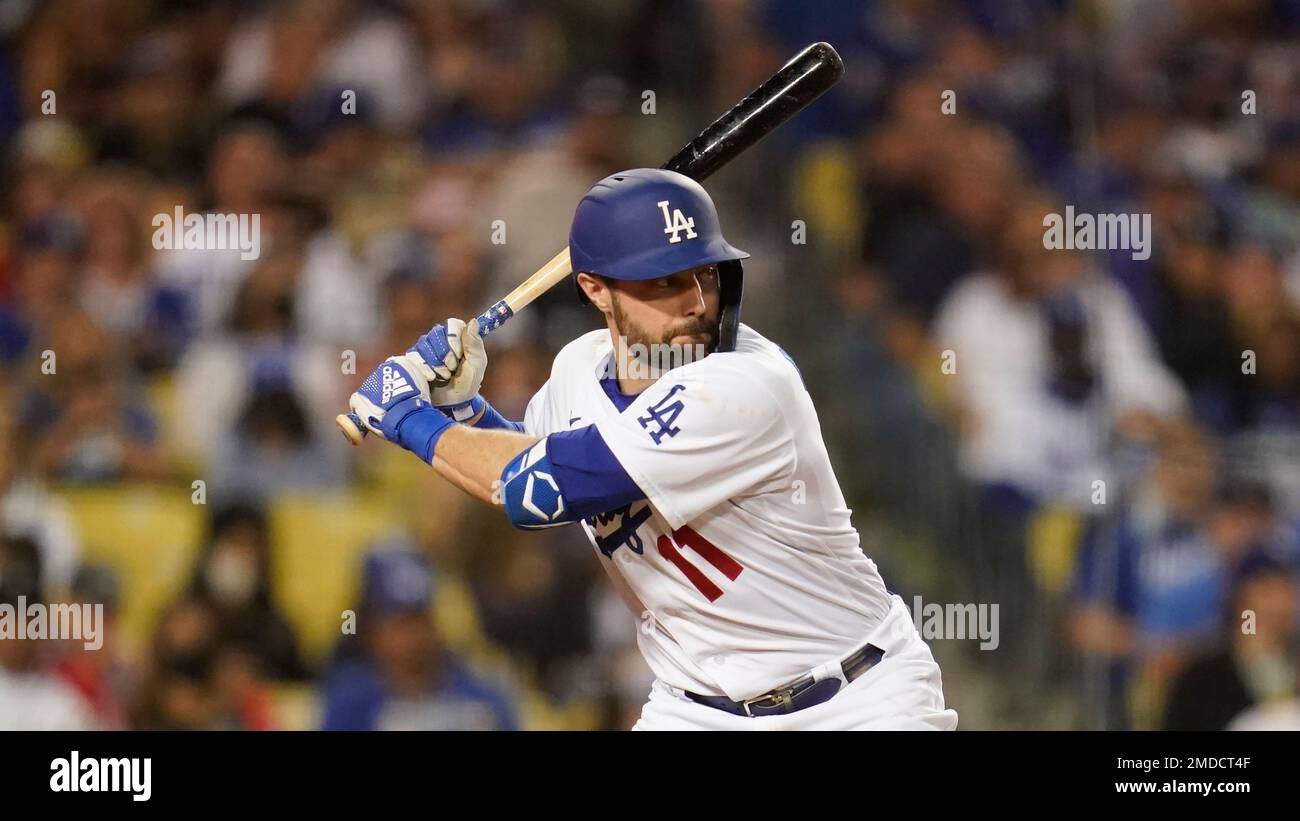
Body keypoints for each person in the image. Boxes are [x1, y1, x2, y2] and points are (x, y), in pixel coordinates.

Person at [347, 169, 957, 730]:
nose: (694, 300)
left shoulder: (745, 384)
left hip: (853, 697)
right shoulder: (578, 369)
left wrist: (409, 419)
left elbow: (540, 492)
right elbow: (523, 464)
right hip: (696, 707)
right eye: (663, 282)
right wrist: (463, 410)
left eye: (704, 274)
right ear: (595, 289)